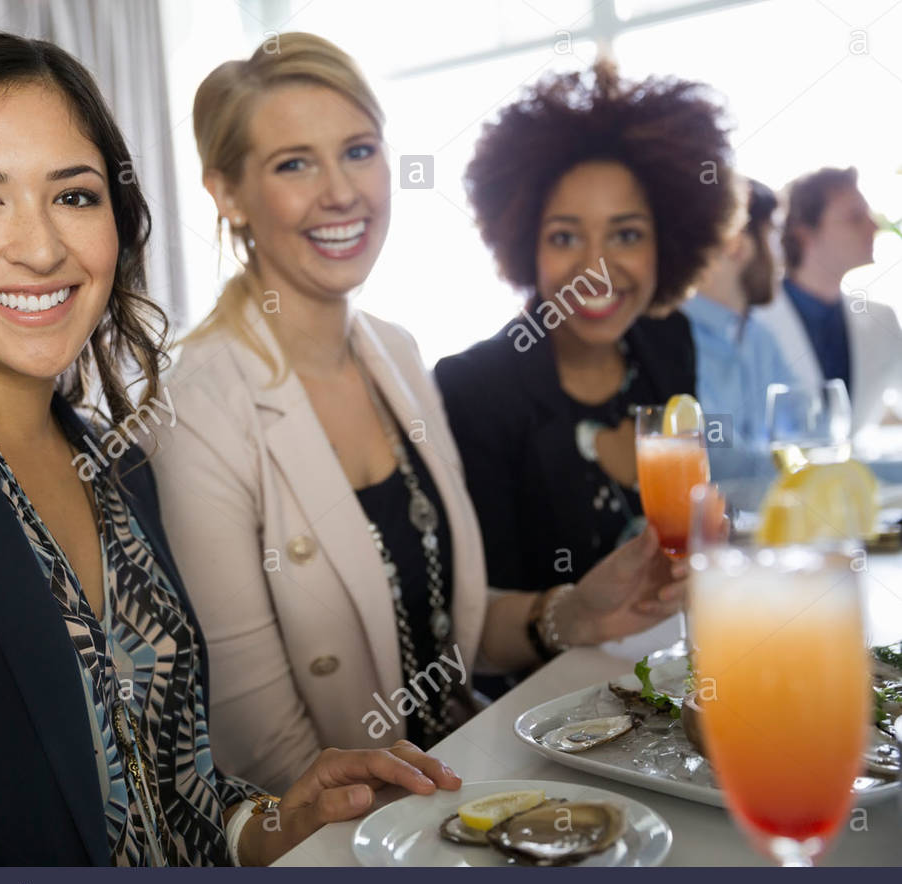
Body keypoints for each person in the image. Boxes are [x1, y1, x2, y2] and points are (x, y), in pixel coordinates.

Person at [0, 29, 463, 868]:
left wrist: (273, 822)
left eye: (74, 195)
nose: (42, 249)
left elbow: (156, 792)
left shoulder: (113, 463)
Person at [147, 36, 685, 794]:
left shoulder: (395, 354)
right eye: (293, 164)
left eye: (359, 151)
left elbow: (451, 638)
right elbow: (271, 760)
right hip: (358, 837)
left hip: (470, 767)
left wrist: (579, 613)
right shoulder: (193, 408)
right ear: (227, 194)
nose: (341, 191)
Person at [435, 62, 734, 608]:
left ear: (665, 244)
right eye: (565, 236)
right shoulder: (474, 388)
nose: (596, 269)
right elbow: (481, 614)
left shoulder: (667, 341)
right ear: (526, 246)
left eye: (626, 234)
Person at [751, 166, 902, 434]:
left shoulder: (882, 319)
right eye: (855, 217)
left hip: (856, 475)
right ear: (803, 233)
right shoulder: (753, 319)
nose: (874, 226)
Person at [681, 177, 795, 487]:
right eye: (774, 234)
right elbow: (726, 467)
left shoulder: (760, 338)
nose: (783, 256)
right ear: (736, 245)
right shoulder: (674, 342)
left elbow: (809, 429)